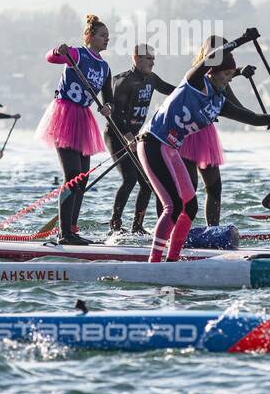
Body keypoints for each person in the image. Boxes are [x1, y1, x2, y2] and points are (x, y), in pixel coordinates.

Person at [139, 29, 270, 261]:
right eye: (227, 74)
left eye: (232, 75)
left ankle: (172, 261)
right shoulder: (194, 81)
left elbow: (250, 118)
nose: (230, 79)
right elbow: (211, 58)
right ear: (213, 72)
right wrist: (242, 40)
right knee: (173, 207)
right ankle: (154, 262)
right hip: (152, 144)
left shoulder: (219, 100)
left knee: (190, 208)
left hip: (170, 149)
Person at [37, 14, 113, 245]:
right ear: (89, 37)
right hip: (65, 114)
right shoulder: (77, 54)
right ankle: (64, 234)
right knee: (72, 175)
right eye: (102, 36)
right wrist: (59, 51)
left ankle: (71, 229)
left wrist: (108, 107)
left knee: (82, 178)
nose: (106, 40)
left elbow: (108, 97)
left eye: (108, 37)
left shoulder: (104, 66)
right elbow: (51, 58)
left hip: (84, 118)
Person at [178, 36, 262, 227]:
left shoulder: (223, 82)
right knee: (189, 189)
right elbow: (210, 69)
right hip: (187, 135)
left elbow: (238, 108)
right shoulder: (196, 76)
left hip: (206, 136)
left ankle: (212, 230)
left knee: (215, 188)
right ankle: (181, 230)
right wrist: (239, 70)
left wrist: (263, 120)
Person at [106, 45, 173, 233]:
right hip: (117, 134)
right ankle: (115, 223)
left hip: (135, 138)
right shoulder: (123, 82)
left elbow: (172, 90)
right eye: (148, 58)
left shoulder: (152, 79)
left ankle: (137, 226)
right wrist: (127, 136)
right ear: (136, 58)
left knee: (147, 183)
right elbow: (115, 115)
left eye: (153, 58)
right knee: (130, 179)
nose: (153, 62)